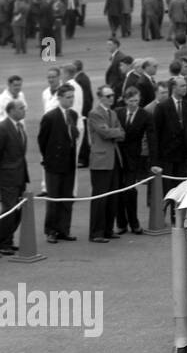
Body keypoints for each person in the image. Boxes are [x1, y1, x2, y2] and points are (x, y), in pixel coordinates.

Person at [38, 84, 80, 243]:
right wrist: (49, 159)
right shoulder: (50, 117)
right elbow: (43, 141)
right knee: (54, 198)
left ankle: (64, 229)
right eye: (68, 97)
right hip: (54, 164)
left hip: (69, 163)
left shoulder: (73, 115)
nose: (71, 100)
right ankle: (51, 230)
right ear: (60, 98)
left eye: (72, 97)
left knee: (67, 198)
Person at [86, 85, 125, 242]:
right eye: (108, 96)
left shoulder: (113, 113)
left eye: (112, 95)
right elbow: (105, 133)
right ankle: (96, 232)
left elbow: (122, 133)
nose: (111, 98)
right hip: (101, 161)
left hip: (114, 159)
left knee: (112, 197)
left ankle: (108, 229)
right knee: (100, 198)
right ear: (100, 98)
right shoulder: (95, 114)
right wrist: (114, 132)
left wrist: (113, 132)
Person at [114, 86, 149, 235]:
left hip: (134, 159)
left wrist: (153, 160)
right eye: (131, 101)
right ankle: (121, 223)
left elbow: (151, 137)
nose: (134, 103)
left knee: (130, 190)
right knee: (118, 190)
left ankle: (134, 223)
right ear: (125, 100)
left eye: (136, 100)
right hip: (118, 158)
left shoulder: (144, 115)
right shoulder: (118, 113)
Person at [0, 100, 30, 255]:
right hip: (7, 178)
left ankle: (8, 240)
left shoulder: (20, 126)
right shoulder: (3, 128)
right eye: (21, 108)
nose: (24, 110)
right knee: (9, 211)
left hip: (19, 177)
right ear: (11, 110)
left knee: (17, 212)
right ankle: (3, 242)